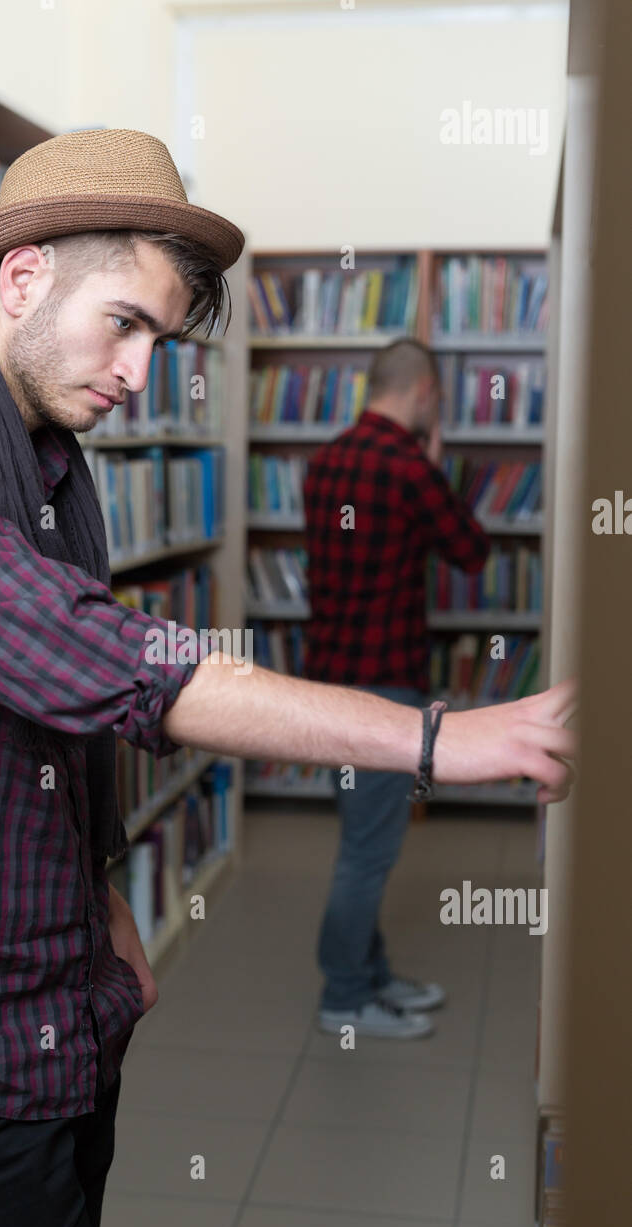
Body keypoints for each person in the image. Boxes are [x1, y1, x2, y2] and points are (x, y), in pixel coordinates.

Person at [0, 131, 576, 1227]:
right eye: (124, 321)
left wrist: (103, 886)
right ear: (24, 275)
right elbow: (85, 659)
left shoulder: (53, 467)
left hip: (64, 1012)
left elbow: (51, 719)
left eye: (158, 336)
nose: (141, 370)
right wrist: (437, 738)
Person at [303, 339, 491, 1041]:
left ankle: (372, 973)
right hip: (386, 687)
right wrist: (437, 470)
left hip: (326, 682)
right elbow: (471, 552)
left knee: (360, 841)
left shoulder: (325, 462)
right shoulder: (411, 467)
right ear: (423, 394)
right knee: (368, 852)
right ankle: (346, 996)